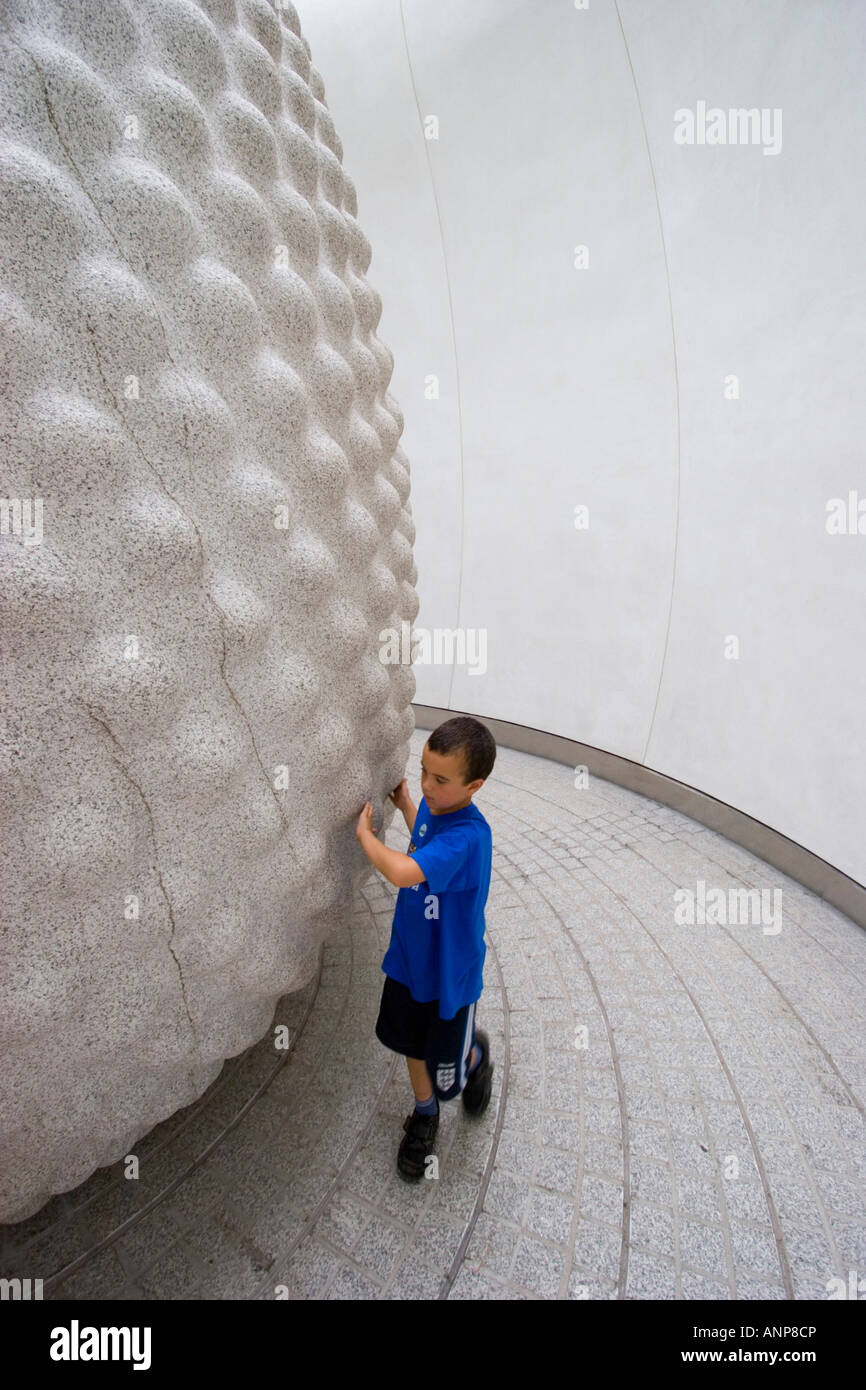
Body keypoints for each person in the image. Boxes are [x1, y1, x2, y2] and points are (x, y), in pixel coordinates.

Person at [355, 715, 496, 1180]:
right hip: (410, 964)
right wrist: (409, 802)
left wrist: (365, 839)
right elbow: (422, 840)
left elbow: (402, 871)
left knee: (446, 1073)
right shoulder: (437, 813)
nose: (427, 785)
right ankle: (425, 1114)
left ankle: (473, 1057)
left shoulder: (469, 838)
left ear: (474, 785)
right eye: (423, 772)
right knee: (410, 1043)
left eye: (440, 779)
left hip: (447, 979)